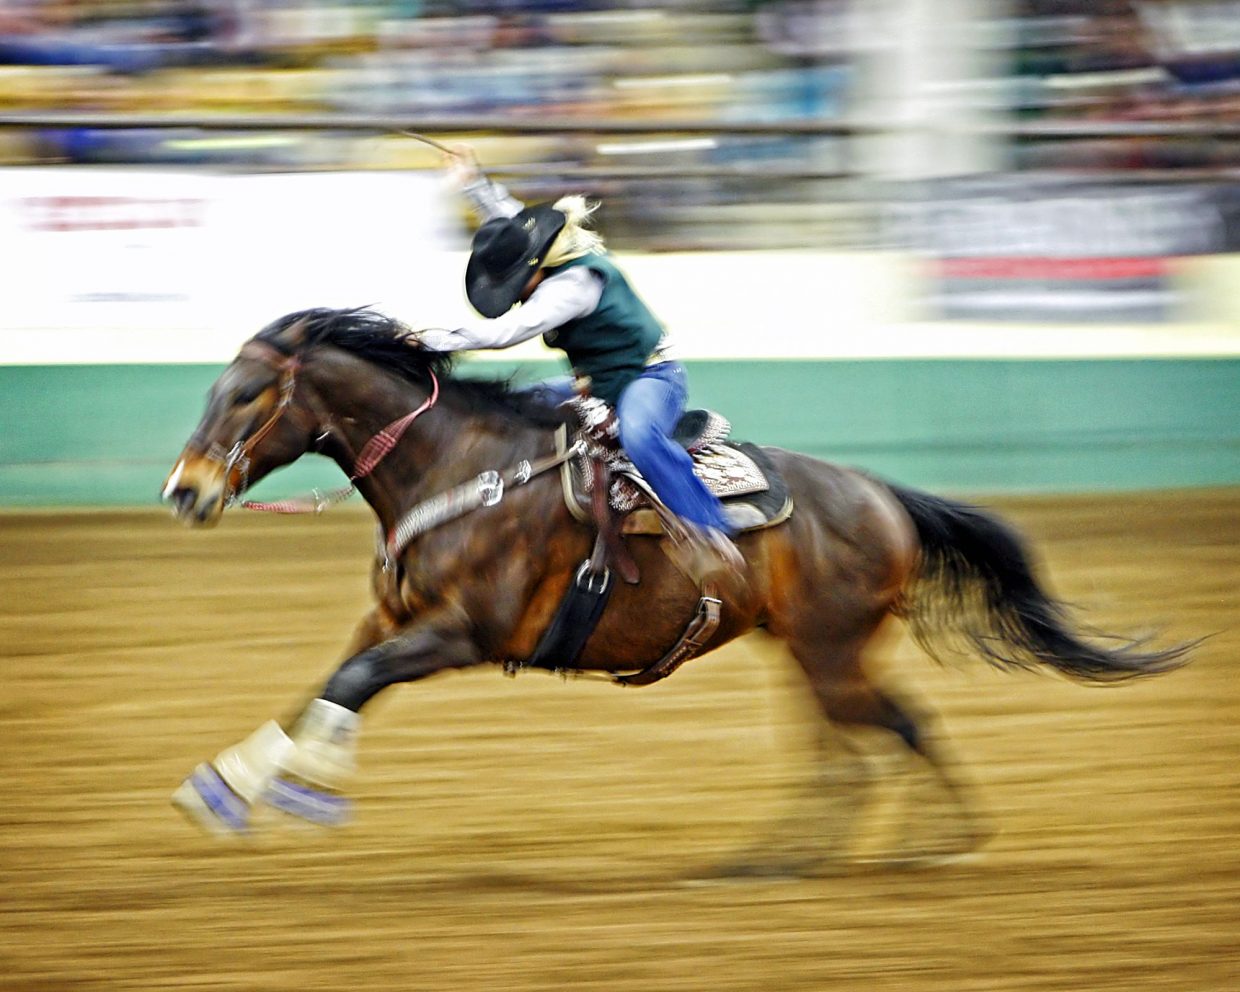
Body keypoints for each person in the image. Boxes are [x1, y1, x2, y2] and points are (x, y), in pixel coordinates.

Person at [415, 144, 743, 578]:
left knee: (641, 435)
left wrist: (427, 340)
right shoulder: (542, 252)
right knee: (518, 403)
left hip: (651, 377)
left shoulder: (571, 286)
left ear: (535, 265)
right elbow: (509, 220)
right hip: (599, 383)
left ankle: (712, 532)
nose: (518, 294)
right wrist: (472, 180)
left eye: (516, 285)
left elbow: (505, 333)